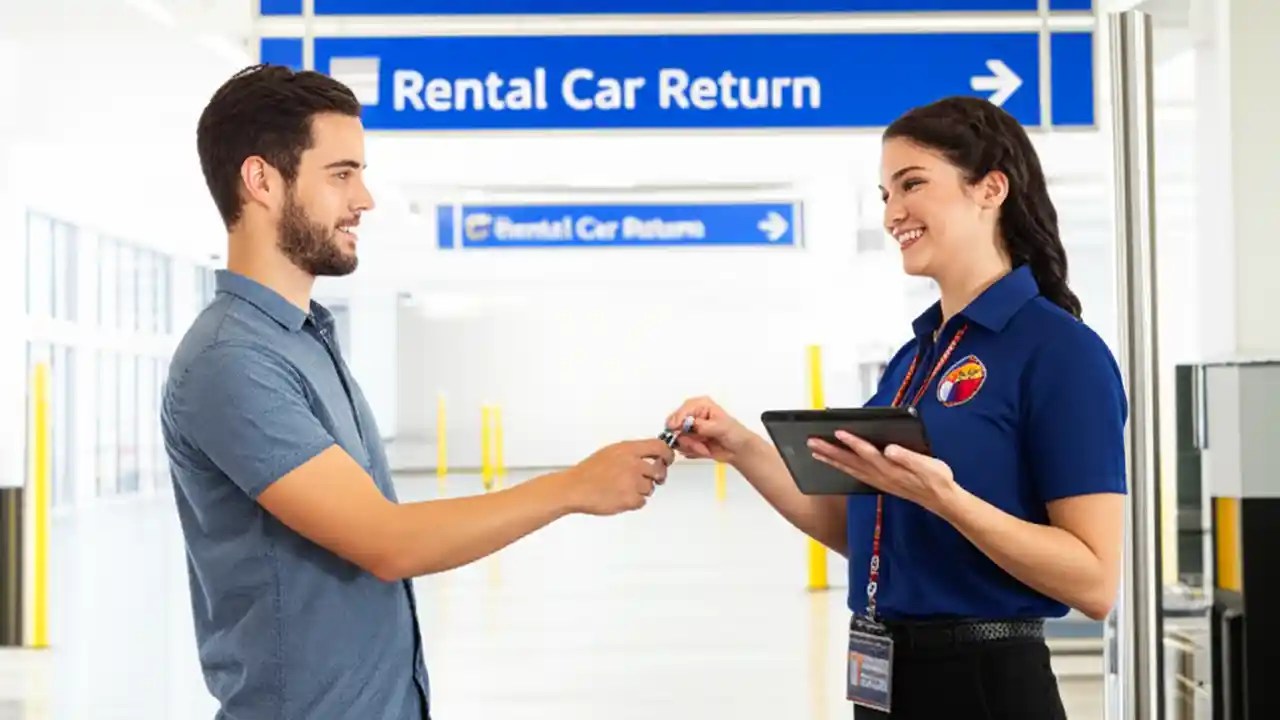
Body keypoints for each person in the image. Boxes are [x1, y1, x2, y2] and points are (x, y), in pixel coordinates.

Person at [160, 64, 674, 720]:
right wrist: (573, 487)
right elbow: (387, 542)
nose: (365, 199)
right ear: (261, 180)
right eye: (342, 173)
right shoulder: (231, 361)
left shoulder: (304, 339)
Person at [665, 96, 1127, 719]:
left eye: (912, 184)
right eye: (885, 194)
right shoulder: (915, 359)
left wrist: (947, 500)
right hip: (884, 678)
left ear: (991, 188)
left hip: (983, 685)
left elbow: (1095, 582)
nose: (893, 213)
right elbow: (863, 536)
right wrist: (742, 447)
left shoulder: (1060, 352)